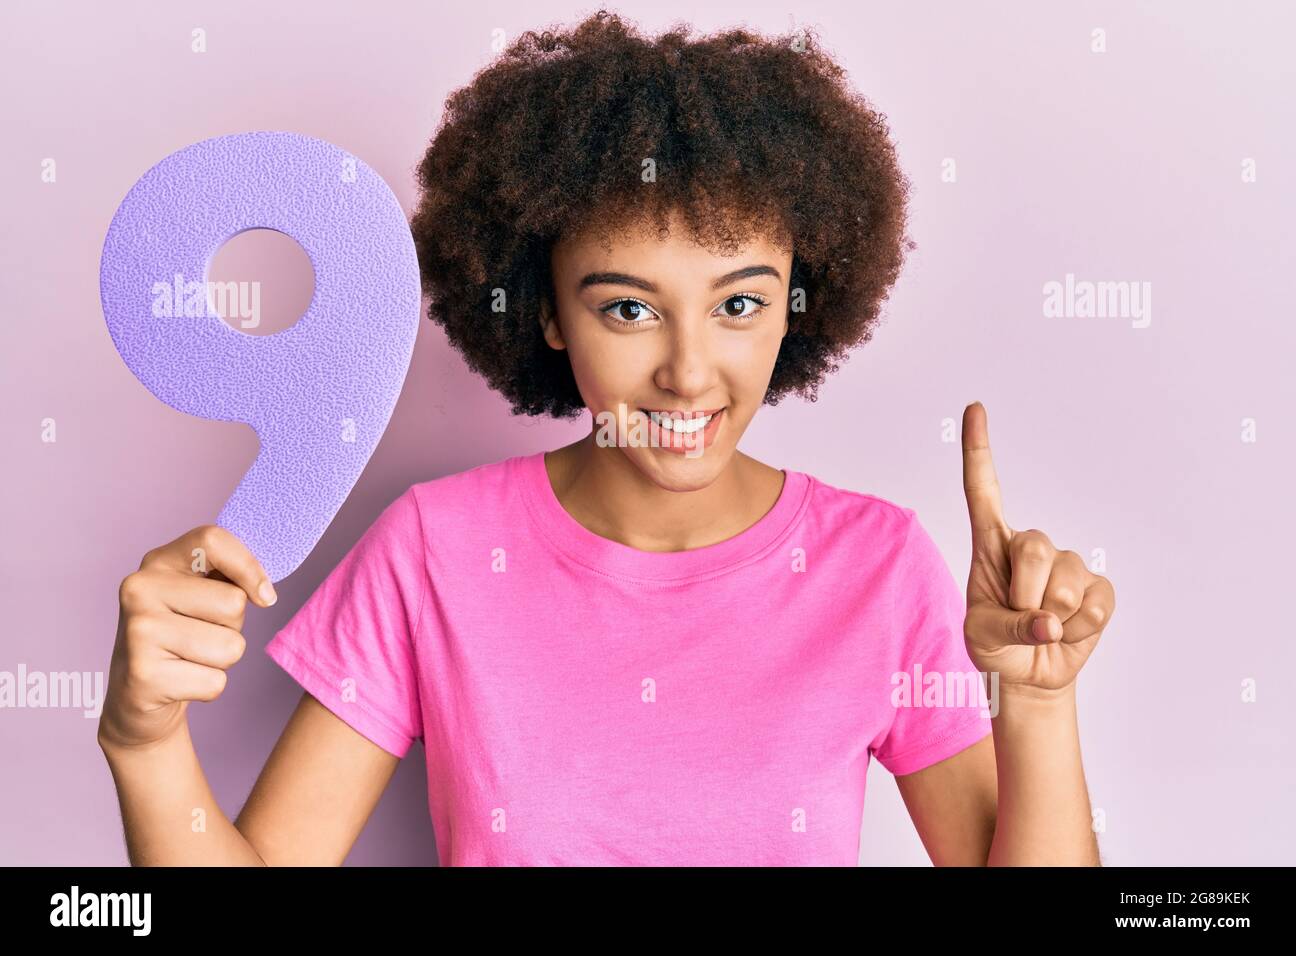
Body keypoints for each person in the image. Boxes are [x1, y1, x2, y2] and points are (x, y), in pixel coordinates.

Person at [98, 10, 1115, 866]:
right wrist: (143, 742)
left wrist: (1035, 700)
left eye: (737, 305)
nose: (685, 370)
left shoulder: (877, 564)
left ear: (795, 307)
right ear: (549, 313)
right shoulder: (434, 550)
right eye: (628, 310)